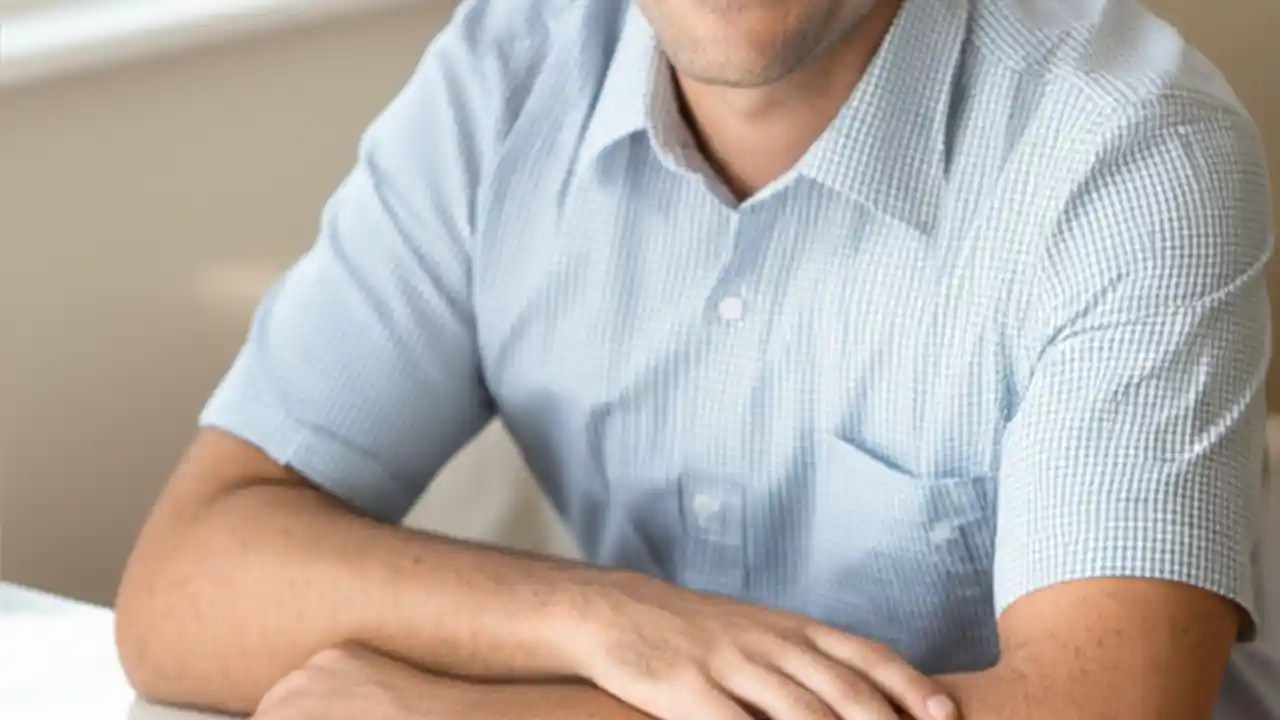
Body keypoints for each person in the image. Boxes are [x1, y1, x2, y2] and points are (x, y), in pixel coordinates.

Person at [115, 0, 1278, 717]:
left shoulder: (1132, 149)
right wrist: (607, 621)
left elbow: (1101, 710)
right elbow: (183, 588)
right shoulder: (507, 72)